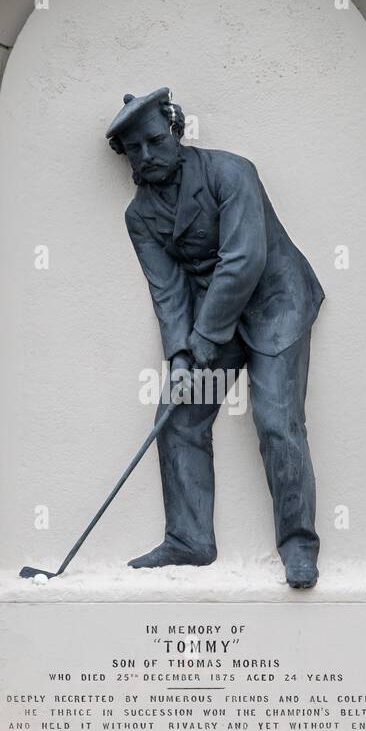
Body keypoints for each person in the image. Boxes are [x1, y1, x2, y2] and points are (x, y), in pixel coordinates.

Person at [107, 87, 324, 589]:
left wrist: (205, 336)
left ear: (176, 130)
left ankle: (298, 547)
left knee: (277, 422)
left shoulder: (232, 172)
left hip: (276, 307)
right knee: (178, 415)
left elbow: (243, 260)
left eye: (155, 141)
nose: (146, 155)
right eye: (134, 149)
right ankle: (189, 541)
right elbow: (168, 292)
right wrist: (182, 356)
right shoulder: (139, 215)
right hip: (212, 323)